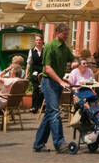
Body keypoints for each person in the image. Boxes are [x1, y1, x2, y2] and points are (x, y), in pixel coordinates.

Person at [33, 23, 74, 153]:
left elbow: (71, 59)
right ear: (58, 33)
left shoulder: (64, 47)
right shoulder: (50, 47)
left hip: (57, 83)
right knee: (55, 112)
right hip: (49, 82)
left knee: (50, 113)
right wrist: (60, 81)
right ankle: (59, 143)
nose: (67, 36)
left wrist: (79, 63)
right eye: (65, 34)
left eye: (68, 34)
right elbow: (48, 68)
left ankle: (38, 143)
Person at [25, 34, 45, 113]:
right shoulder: (32, 51)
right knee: (35, 89)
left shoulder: (46, 49)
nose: (38, 41)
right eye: (37, 40)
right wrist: (26, 74)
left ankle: (42, 106)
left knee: (43, 89)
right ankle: (34, 107)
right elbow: (29, 63)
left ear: (42, 41)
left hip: (44, 72)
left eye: (39, 40)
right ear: (35, 41)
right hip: (35, 72)